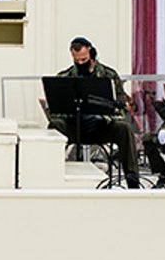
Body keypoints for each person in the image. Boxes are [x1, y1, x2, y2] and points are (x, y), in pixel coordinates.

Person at [51, 37, 141, 188]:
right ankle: (51, 175)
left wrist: (103, 115)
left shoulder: (108, 75)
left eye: (84, 59)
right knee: (55, 125)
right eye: (76, 60)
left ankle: (133, 181)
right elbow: (54, 109)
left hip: (101, 127)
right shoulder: (64, 77)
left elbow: (121, 107)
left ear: (91, 54)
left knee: (124, 129)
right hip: (75, 127)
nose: (80, 63)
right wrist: (71, 113)